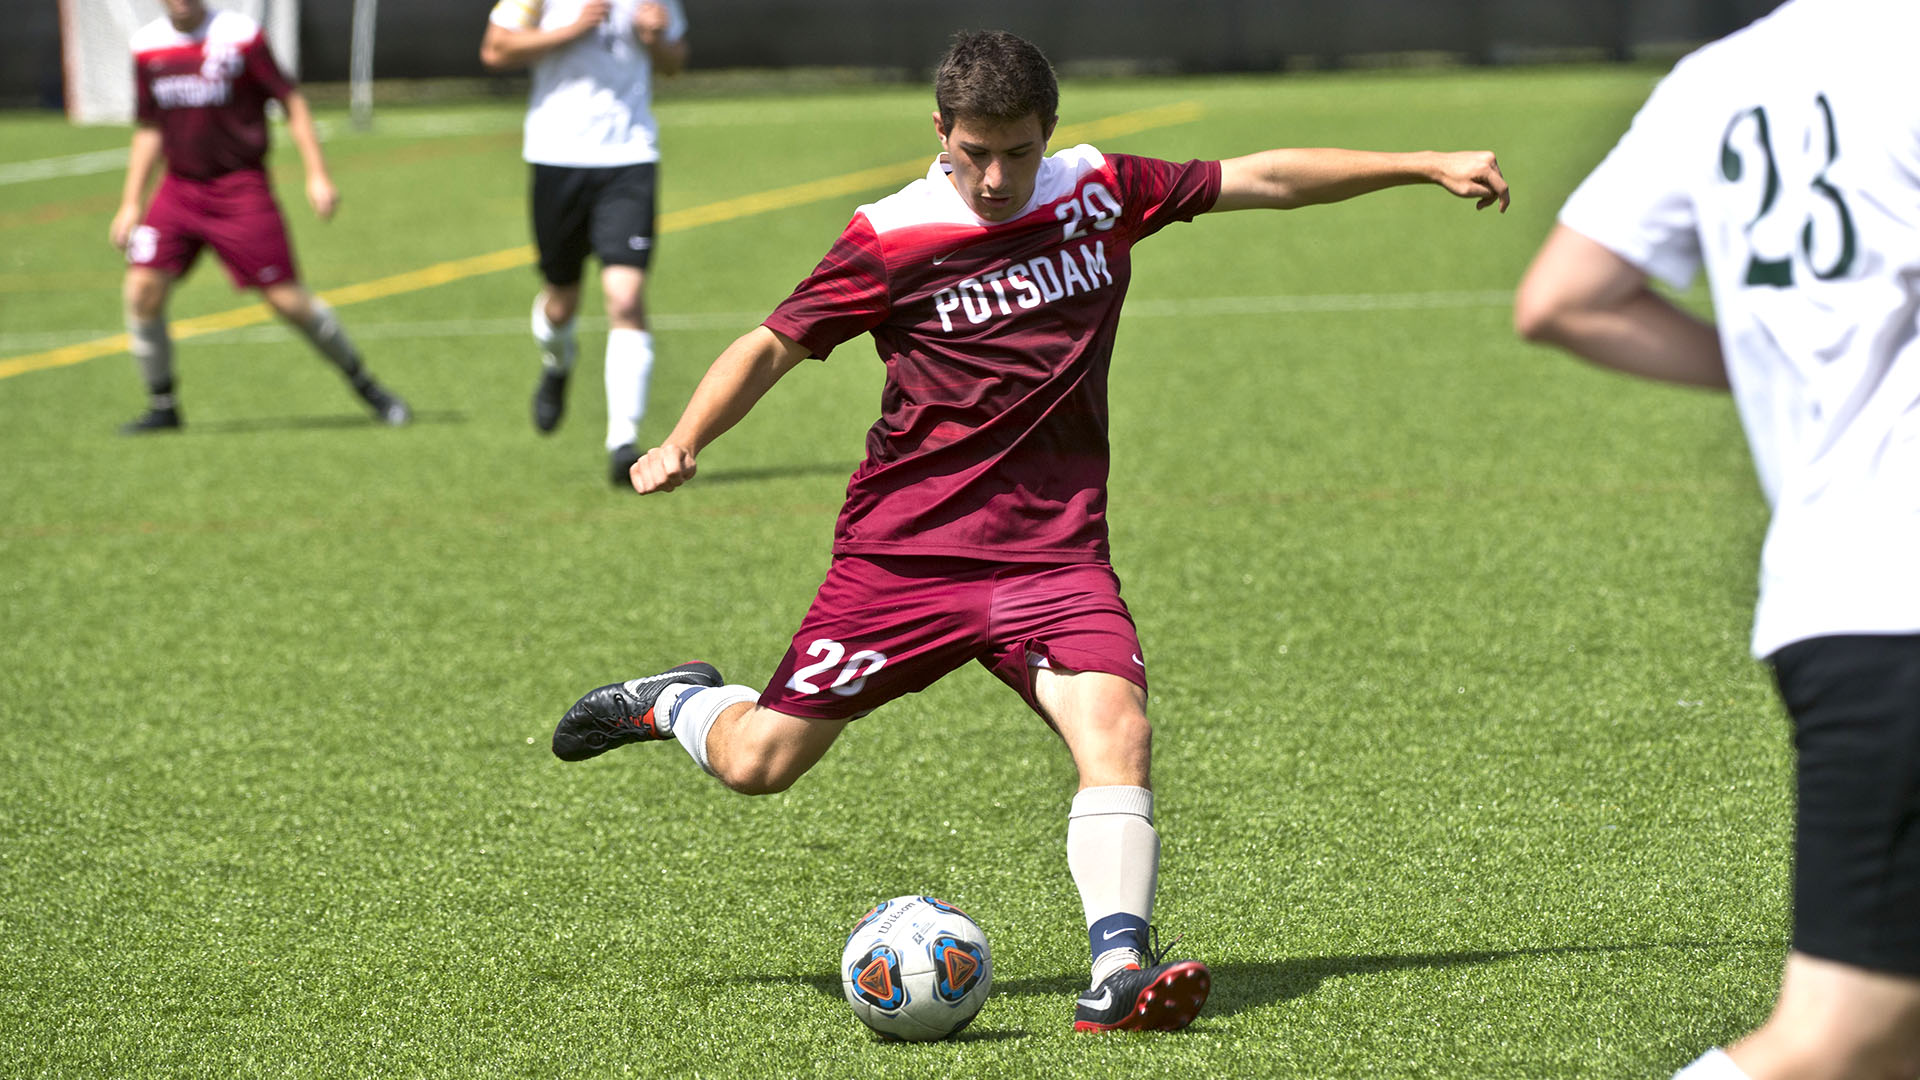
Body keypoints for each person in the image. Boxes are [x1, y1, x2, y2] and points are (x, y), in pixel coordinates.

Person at [553, 29, 1509, 1032]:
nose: (997, 177)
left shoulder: (1098, 190)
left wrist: (1423, 163)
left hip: (1053, 556)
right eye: (975, 153)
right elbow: (773, 344)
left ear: (1049, 132)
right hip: (904, 559)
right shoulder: (890, 234)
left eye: (1017, 152)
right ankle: (674, 705)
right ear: (939, 133)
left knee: (1119, 733)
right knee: (761, 765)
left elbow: (1261, 176)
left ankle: (1119, 970)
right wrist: (683, 439)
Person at [1514, 1, 1920, 1076]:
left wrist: (1804, 378)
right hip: (1902, 596)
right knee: (1844, 1037)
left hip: (1834, 595)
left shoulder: (1718, 81)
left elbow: (1564, 298)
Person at [110, 0, 410, 434]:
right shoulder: (147, 47)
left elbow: (292, 101)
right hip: (179, 190)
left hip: (240, 189)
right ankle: (163, 406)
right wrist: (130, 201)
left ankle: (367, 386)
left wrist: (317, 176)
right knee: (141, 291)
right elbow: (150, 128)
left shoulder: (241, 36)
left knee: (287, 300)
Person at [480, 0, 688, 487]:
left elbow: (675, 63)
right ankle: (557, 365)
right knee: (560, 302)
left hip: (630, 156)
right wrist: (571, 29)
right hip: (557, 157)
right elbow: (495, 49)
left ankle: (623, 442)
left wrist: (657, 39)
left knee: (626, 297)